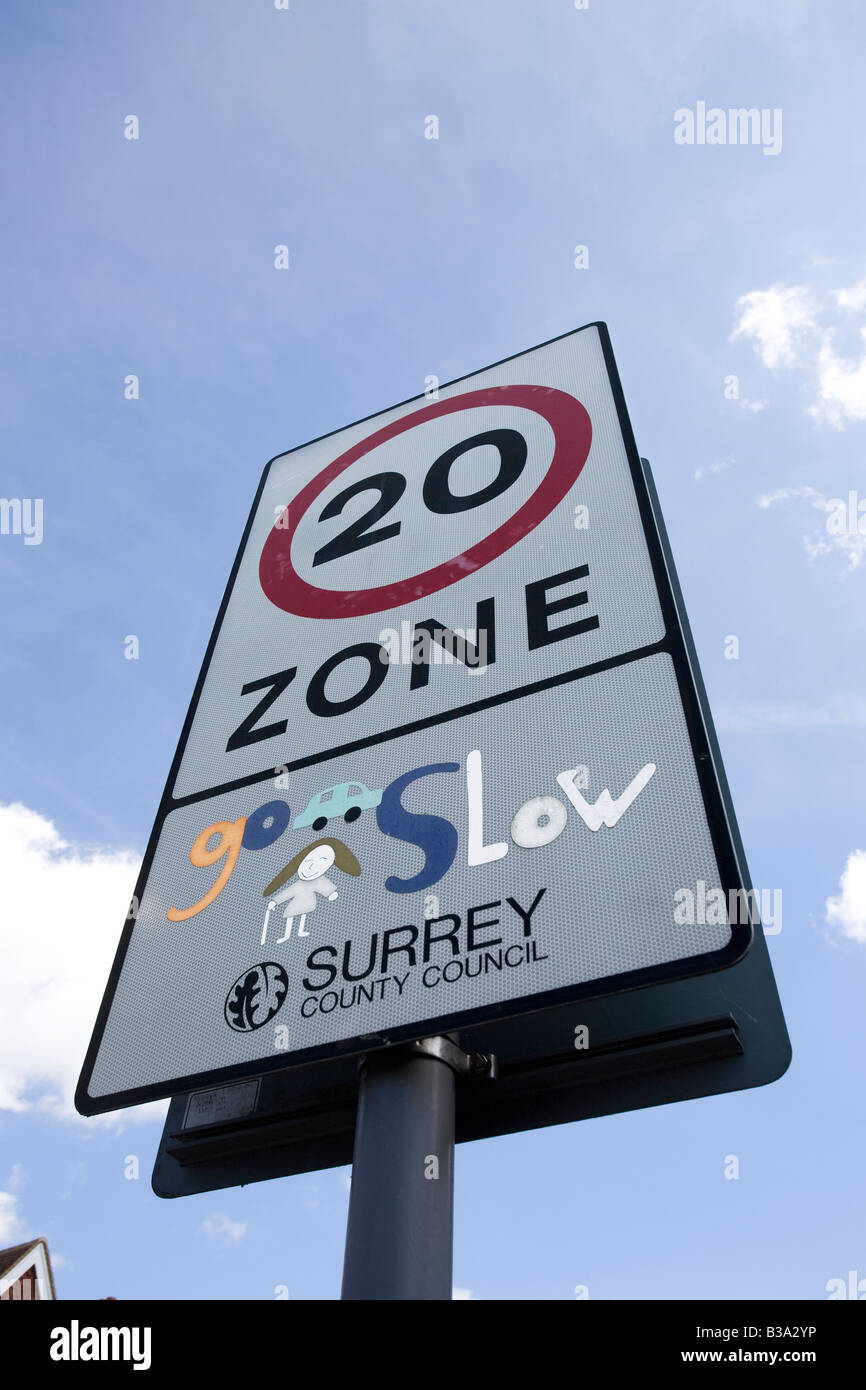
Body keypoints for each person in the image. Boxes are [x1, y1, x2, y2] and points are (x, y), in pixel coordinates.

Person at [261, 838, 361, 943]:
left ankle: (300, 931)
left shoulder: (319, 880)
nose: (311, 866)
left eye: (322, 861)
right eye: (308, 861)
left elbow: (323, 886)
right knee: (290, 916)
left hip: (308, 902)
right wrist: (275, 901)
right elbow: (287, 893)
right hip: (296, 902)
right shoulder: (299, 884)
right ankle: (286, 935)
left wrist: (331, 893)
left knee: (303, 915)